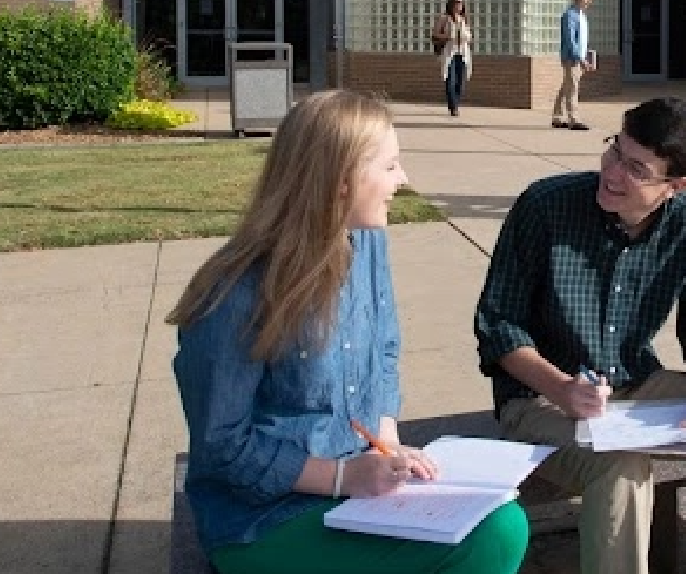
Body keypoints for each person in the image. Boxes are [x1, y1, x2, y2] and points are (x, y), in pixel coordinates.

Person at [168, 89, 529, 574]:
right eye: (389, 166)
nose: (402, 180)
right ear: (340, 180)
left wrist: (387, 441)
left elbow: (382, 348)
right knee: (491, 539)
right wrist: (343, 477)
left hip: (361, 485)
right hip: (262, 521)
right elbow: (223, 448)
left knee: (501, 521)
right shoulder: (234, 294)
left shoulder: (366, 242)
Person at [474, 96, 686, 574]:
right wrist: (562, 388)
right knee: (620, 467)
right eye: (614, 151)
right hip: (538, 400)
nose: (612, 172)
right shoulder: (544, 207)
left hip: (635, 389)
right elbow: (498, 325)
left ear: (676, 185)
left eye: (637, 168)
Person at [552, 0, 594, 131]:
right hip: (571, 58)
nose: (590, 2)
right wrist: (580, 58)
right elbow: (570, 39)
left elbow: (582, 38)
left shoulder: (582, 15)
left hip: (579, 57)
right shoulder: (569, 15)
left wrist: (586, 55)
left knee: (567, 86)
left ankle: (557, 117)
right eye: (587, 0)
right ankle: (574, 120)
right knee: (572, 88)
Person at [433, 0, 473, 117]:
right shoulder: (445, 18)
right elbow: (435, 34)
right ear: (451, 4)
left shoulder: (464, 19)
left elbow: (470, 36)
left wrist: (467, 37)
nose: (459, 5)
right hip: (450, 53)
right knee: (450, 80)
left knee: (461, 82)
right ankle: (453, 107)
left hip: (463, 53)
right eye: (457, 2)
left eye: (460, 3)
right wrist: (447, 36)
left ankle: (456, 103)